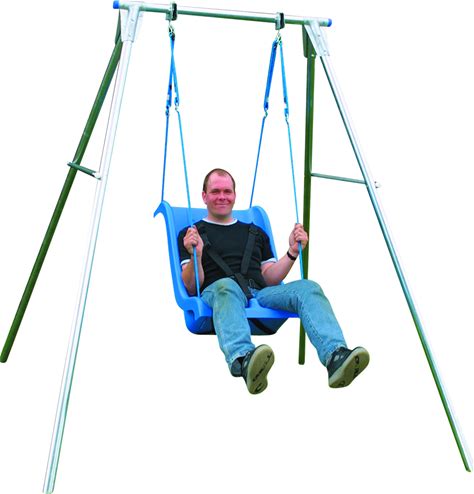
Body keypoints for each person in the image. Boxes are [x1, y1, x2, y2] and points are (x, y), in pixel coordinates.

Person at [178, 168, 369, 394]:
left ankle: (335, 356)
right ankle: (243, 358)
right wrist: (196, 255)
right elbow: (192, 286)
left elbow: (269, 277)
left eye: (227, 191)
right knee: (226, 286)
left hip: (259, 293)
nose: (222, 197)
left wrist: (292, 252)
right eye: (215, 191)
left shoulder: (255, 232)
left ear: (235, 195)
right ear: (204, 196)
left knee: (308, 287)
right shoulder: (190, 234)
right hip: (218, 293)